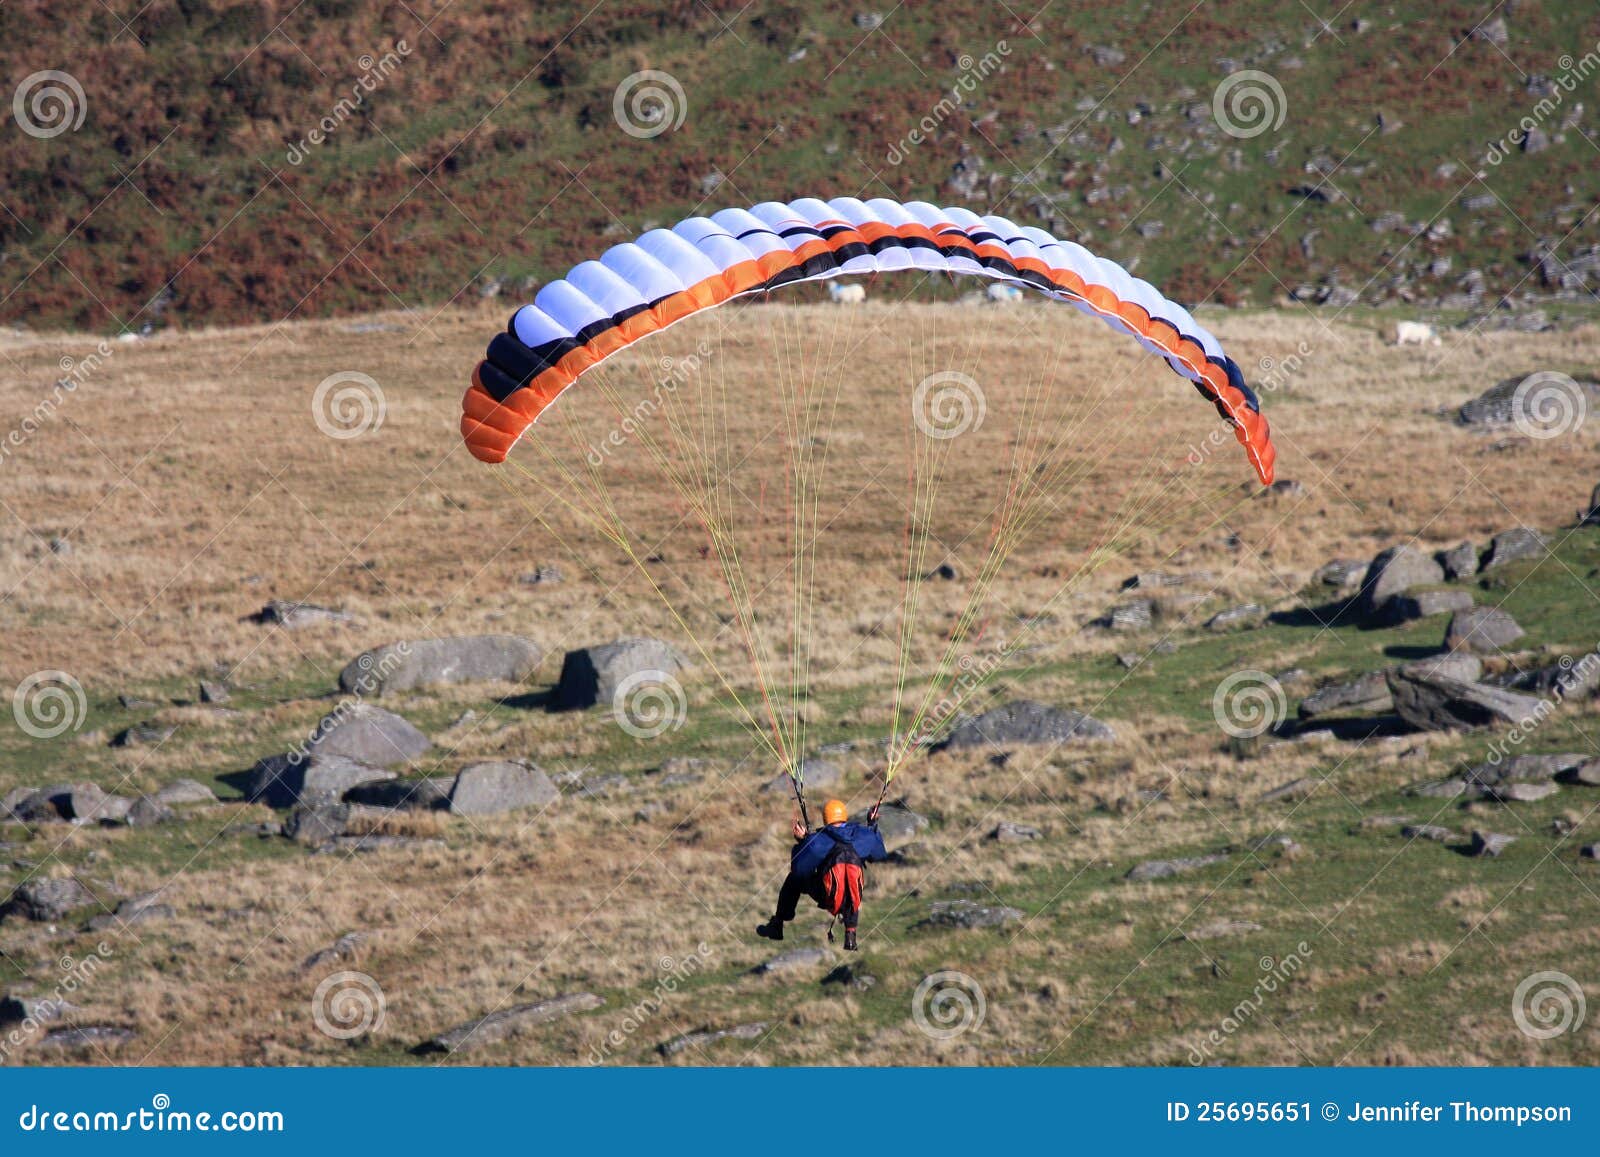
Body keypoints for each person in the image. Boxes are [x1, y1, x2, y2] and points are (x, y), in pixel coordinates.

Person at [756, 799, 888, 951]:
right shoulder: (864, 836)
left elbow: (798, 869)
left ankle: (777, 925)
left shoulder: (817, 841)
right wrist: (871, 825)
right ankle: (850, 935)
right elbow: (880, 854)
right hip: (852, 896)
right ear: (844, 816)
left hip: (826, 896)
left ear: (826, 819)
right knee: (851, 884)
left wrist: (803, 842)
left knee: (793, 880)